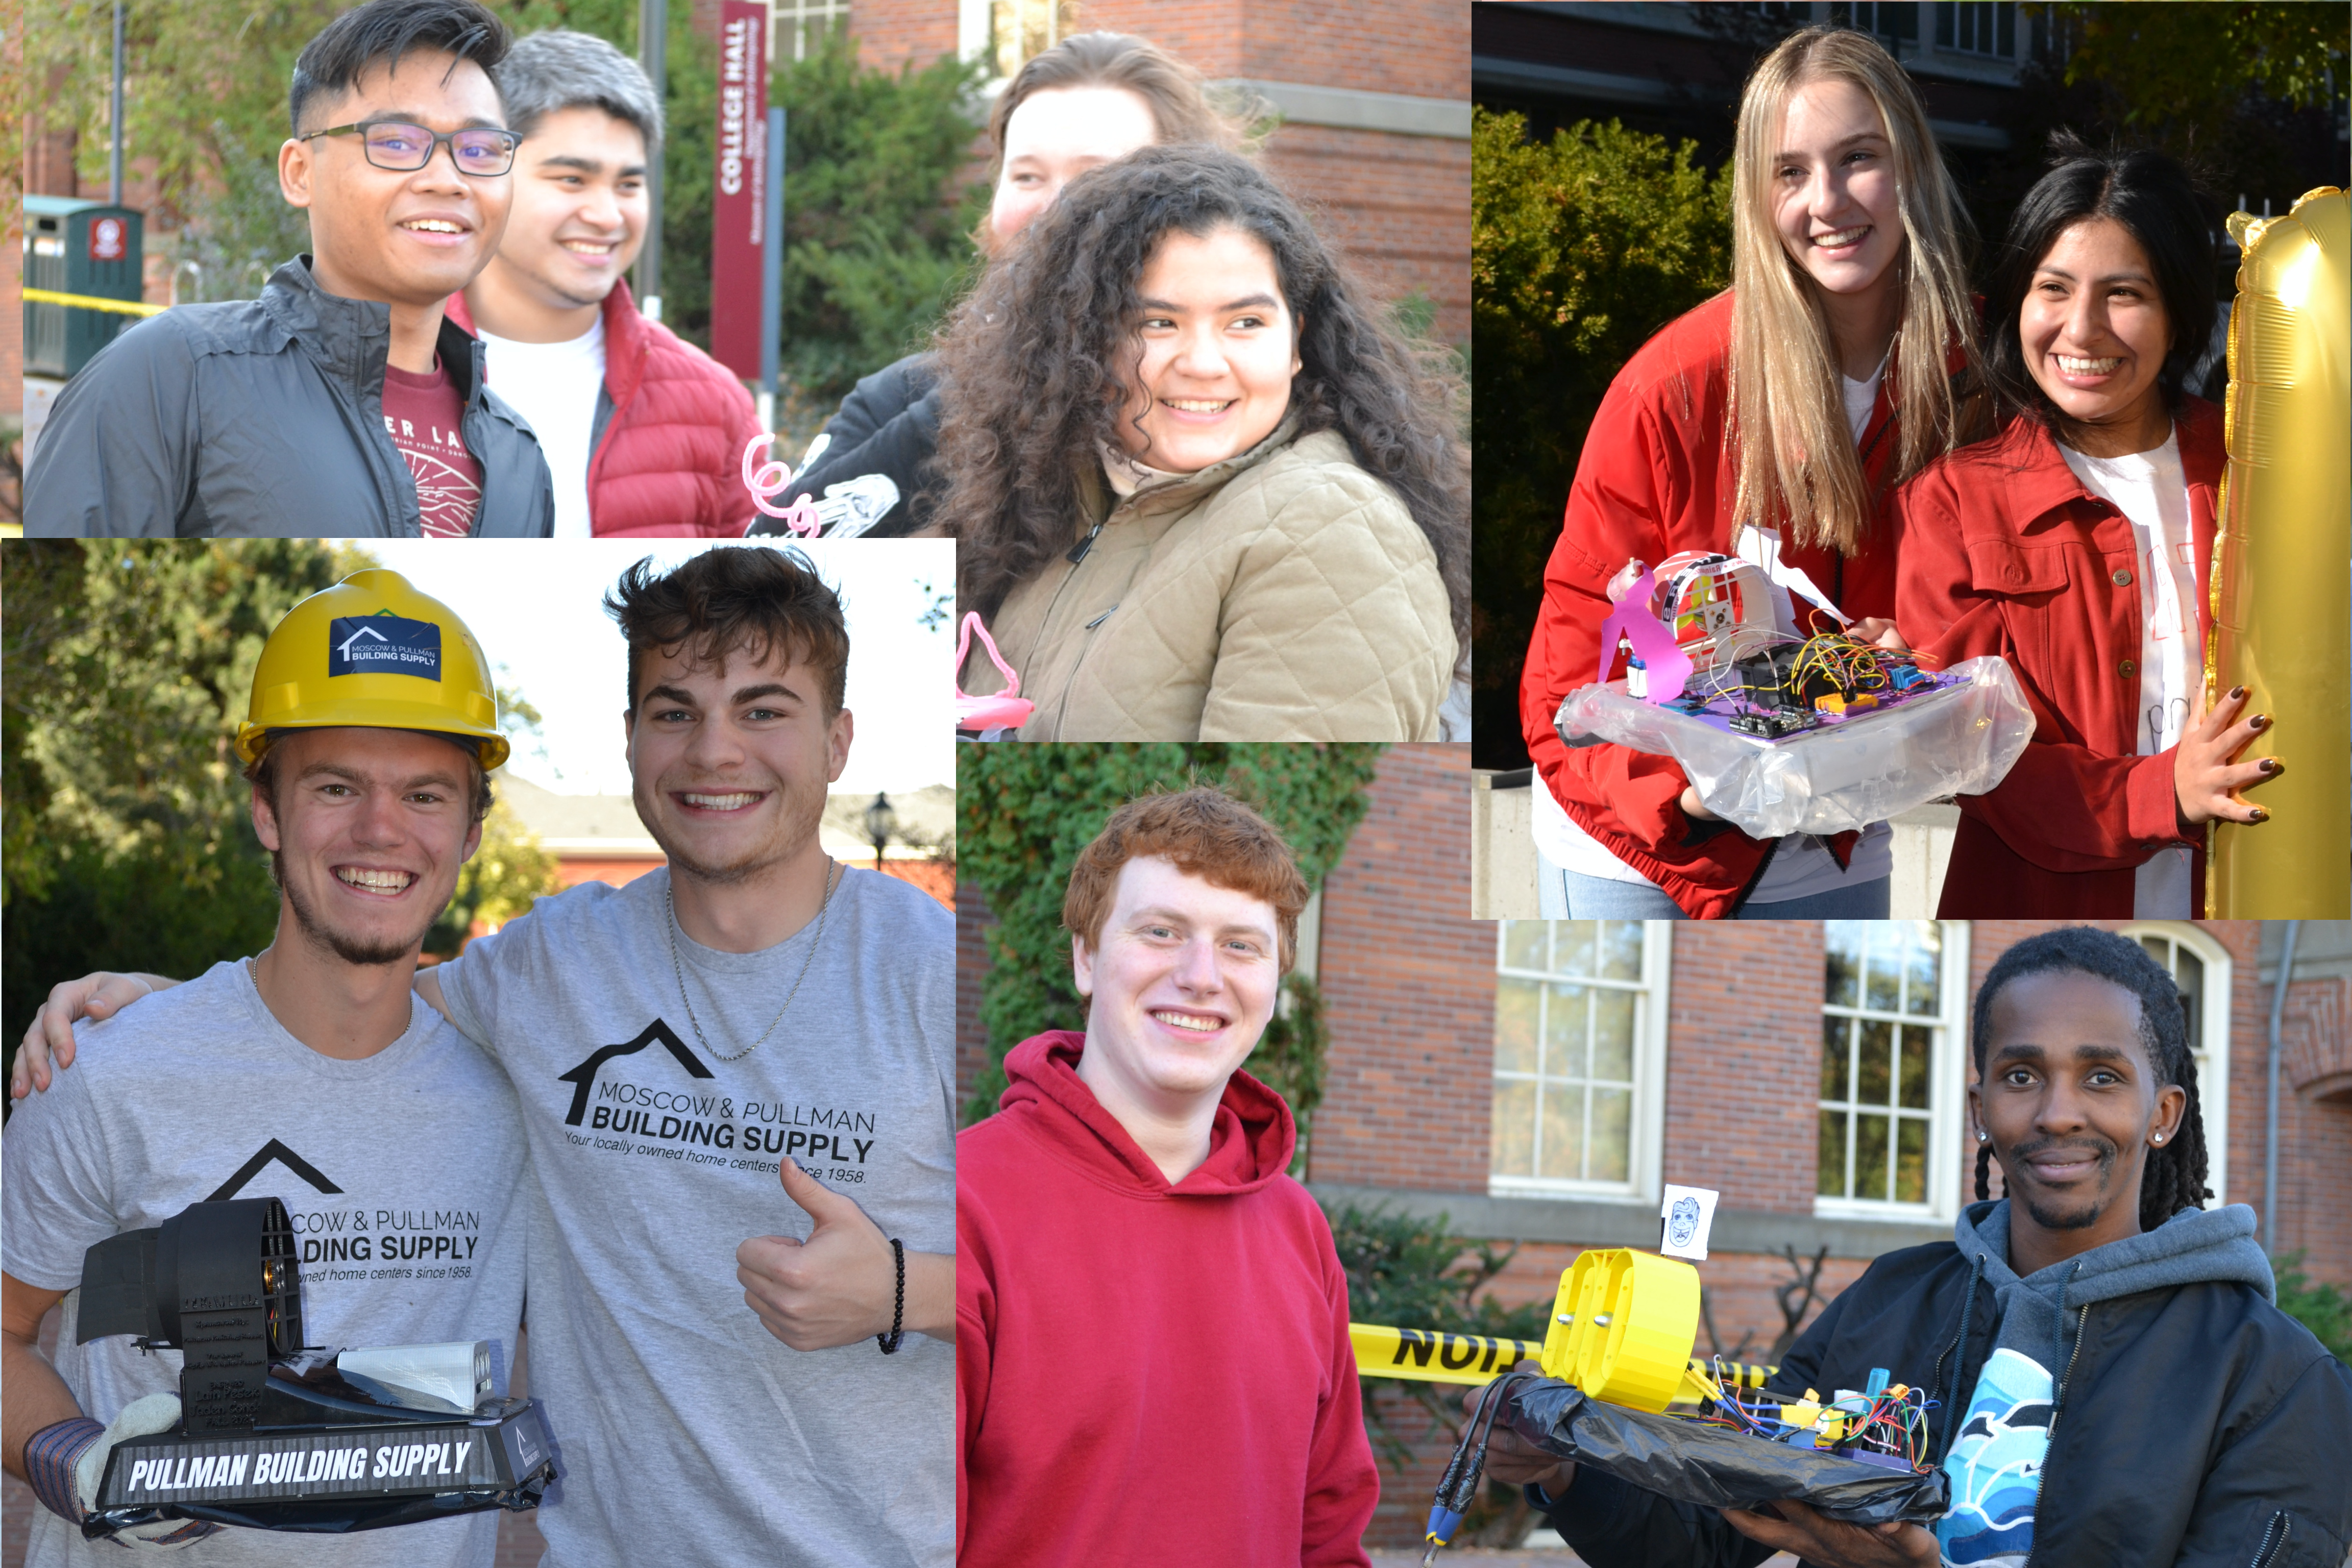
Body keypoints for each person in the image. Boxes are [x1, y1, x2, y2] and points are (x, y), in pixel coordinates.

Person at [15, 547, 957, 1568]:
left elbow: (1079, 1275)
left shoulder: (938, 976)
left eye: (763, 710)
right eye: (675, 710)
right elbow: (343, 1000)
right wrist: (171, 1010)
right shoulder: (553, 968)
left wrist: (905, 1291)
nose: (715, 751)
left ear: (838, 741)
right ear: (632, 737)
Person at [1483, 926, 2352, 1568]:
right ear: (1979, 1108)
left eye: (2101, 1076)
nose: (2057, 1113)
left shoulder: (2271, 1380)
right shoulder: (1889, 1303)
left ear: (2162, 1114)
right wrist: (1563, 1468)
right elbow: (1705, 1539)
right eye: (2021, 1075)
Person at [3, 570, 529, 1565]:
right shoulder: (109, 1074)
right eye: (335, 787)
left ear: (469, 832)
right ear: (266, 811)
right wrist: (73, 1460)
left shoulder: (515, 1095)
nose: (380, 829)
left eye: (424, 794)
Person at [1517, 26, 1983, 918]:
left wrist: (1922, 658)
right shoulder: (1673, 390)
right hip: (1648, 846)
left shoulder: (1979, 374)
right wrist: (1688, 797)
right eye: (1790, 172)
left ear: (1912, 168)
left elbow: (1990, 610)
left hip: (1838, 831)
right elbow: (1568, 674)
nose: (1826, 202)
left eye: (1858, 158)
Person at [957, 787, 1378, 1567]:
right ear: (1087, 957)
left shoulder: (1298, 1229)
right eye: (1162, 932)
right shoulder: (962, 1202)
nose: (1200, 976)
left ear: (1274, 984)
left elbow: (1328, 1530)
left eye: (1241, 946)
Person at [939, 145, 1467, 742]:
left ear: (1296, 343)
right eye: (1157, 323)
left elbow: (1257, 794)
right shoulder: (1060, 501)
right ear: (1084, 345)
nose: (1204, 364)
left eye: (1246, 323)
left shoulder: (1327, 528)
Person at [1892, 141, 2273, 916]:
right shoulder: (1956, 501)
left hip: (2254, 894)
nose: (2083, 329)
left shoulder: (2260, 469)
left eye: (2124, 293)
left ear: (2179, 314)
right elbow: (1972, 751)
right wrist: (2161, 792)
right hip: (2036, 907)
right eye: (2054, 289)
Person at [24, 0, 553, 538]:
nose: (448, 180)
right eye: (395, 142)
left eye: (480, 149)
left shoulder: (518, 457)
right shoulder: (174, 377)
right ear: (300, 173)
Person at [771, 31, 1238, 538]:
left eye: (1097, 178)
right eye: (1026, 177)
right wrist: (980, 397)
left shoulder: (1227, 397)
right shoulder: (899, 398)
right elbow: (763, 561)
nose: (1055, 210)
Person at [447, 30, 760, 538]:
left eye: (628, 185)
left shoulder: (716, 404)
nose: (608, 215)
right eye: (572, 179)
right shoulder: (383, 371)